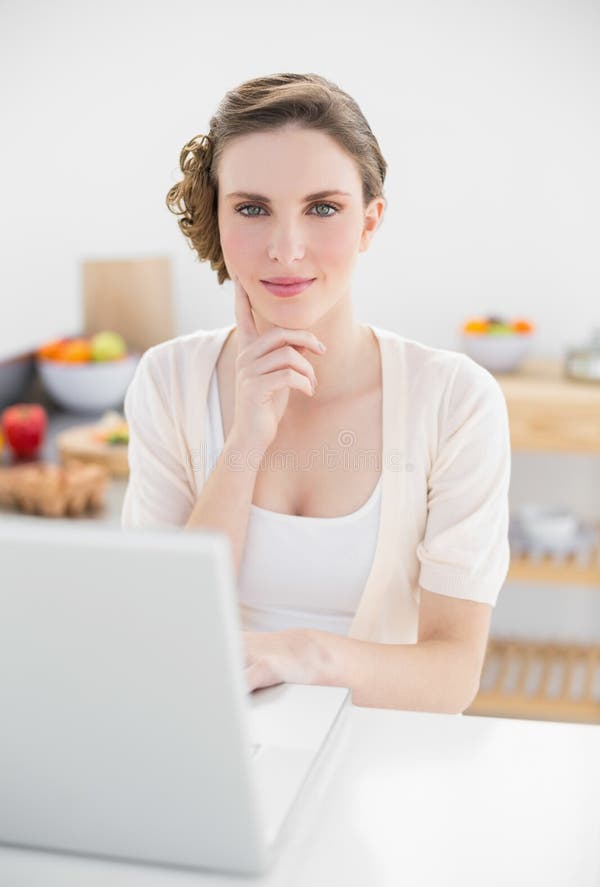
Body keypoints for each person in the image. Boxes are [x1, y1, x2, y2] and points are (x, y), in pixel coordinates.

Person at [121, 72, 511, 714]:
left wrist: (307, 655)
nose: (286, 248)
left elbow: (452, 675)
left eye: (322, 208)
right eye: (251, 208)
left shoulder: (455, 401)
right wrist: (246, 439)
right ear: (217, 219)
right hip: (203, 739)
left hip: (376, 760)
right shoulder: (169, 382)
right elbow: (161, 635)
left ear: (369, 221)